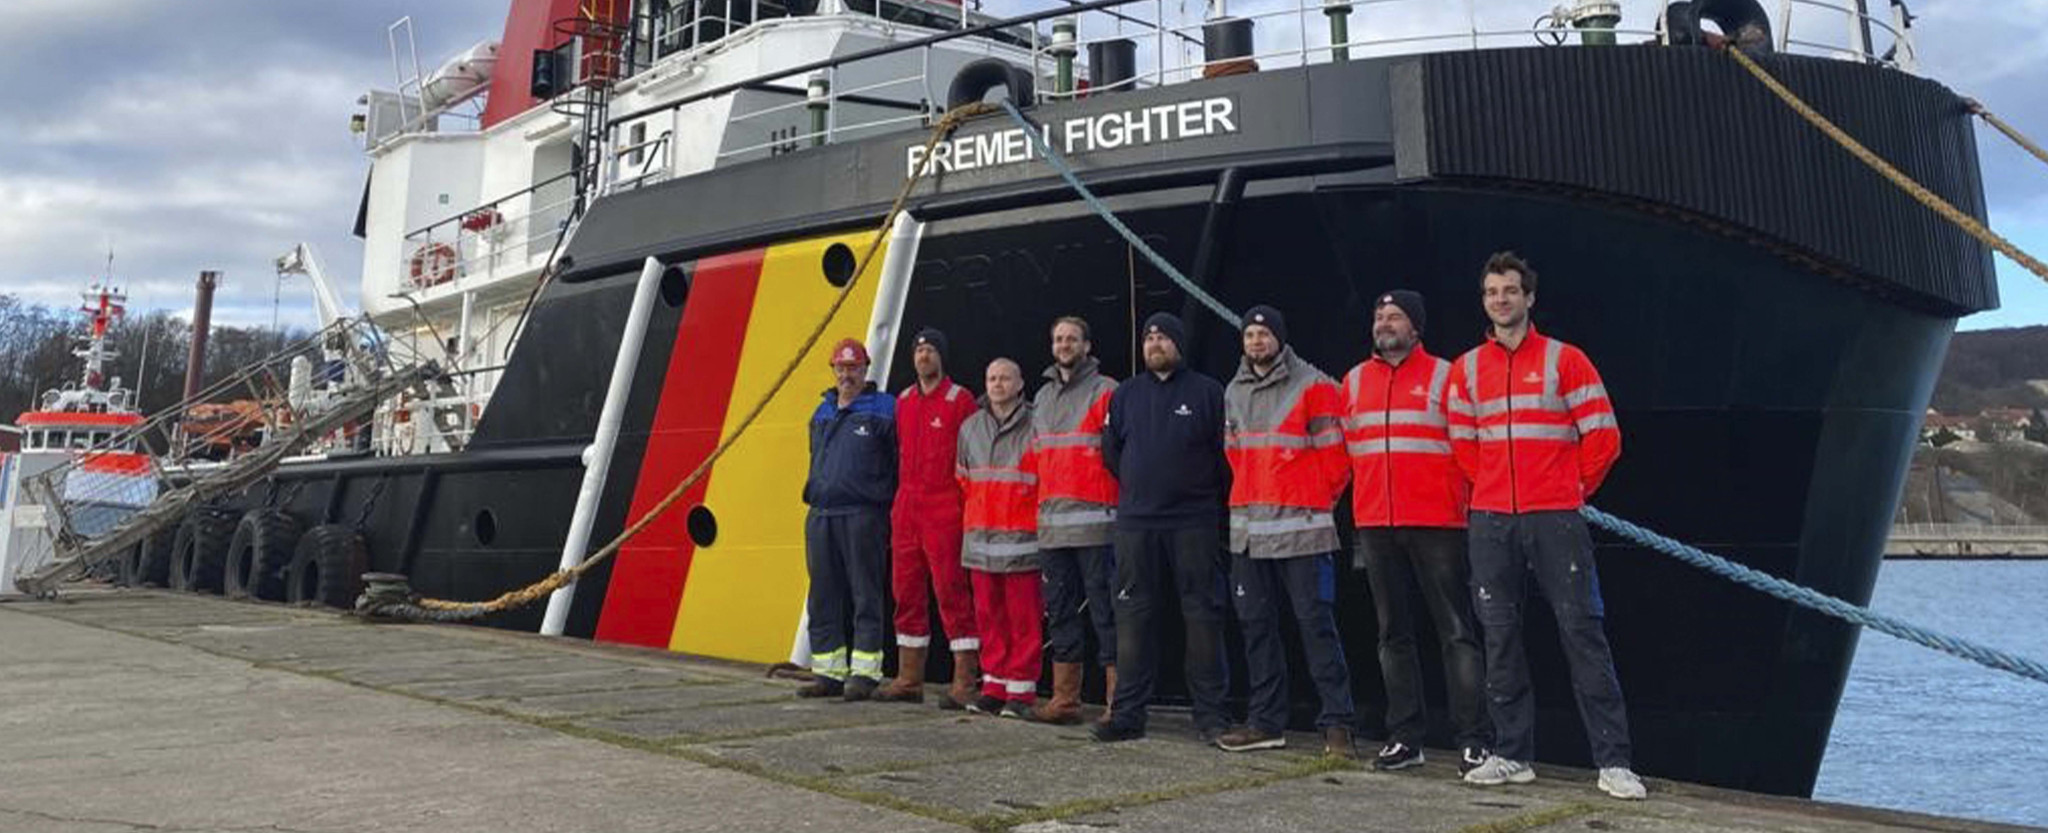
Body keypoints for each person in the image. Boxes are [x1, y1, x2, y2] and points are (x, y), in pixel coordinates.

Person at [1447, 252, 1646, 800]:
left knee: (1582, 632)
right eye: (1491, 292)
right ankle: (1513, 754)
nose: (1501, 301)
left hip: (1554, 517)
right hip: (1491, 519)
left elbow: (1603, 437)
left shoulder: (1567, 361)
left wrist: (1566, 489)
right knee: (1500, 635)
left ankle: (1613, 761)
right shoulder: (1466, 370)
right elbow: (1462, 444)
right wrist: (1491, 486)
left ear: (1529, 298)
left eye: (1510, 291)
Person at [1341, 290, 1492, 773]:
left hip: (1437, 522)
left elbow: (1472, 446)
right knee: (1391, 634)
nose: (1384, 322)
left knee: (1456, 632)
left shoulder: (1448, 377)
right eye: (1379, 314)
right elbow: (1347, 450)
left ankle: (1473, 739)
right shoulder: (1355, 380)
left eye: (1396, 316)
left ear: (1416, 327)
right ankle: (1406, 737)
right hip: (1375, 523)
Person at [1214, 305, 1358, 758]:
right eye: (1249, 334)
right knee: (1256, 629)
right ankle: (1265, 721)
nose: (1256, 341)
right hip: (1249, 533)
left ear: (1280, 338)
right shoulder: (1233, 390)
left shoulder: (1314, 387)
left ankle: (1337, 725)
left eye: (1263, 334)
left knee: (1316, 627)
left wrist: (1313, 500)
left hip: (1302, 531)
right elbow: (1234, 453)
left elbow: (1337, 461)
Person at [1090, 312, 1231, 744]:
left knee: (1203, 616)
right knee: (1132, 617)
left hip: (1193, 521)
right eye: (1149, 337)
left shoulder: (1208, 392)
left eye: (1164, 337)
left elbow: (1224, 456)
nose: (1155, 344)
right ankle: (1128, 714)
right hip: (1136, 522)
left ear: (1179, 345)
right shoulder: (1126, 395)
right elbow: (1112, 453)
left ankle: (1211, 716)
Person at [875, 328, 982, 708]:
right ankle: (909, 677)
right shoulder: (902, 401)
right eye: (919, 350)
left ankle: (964, 679)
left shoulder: (960, 400)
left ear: (942, 357)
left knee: (951, 591)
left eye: (931, 350)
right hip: (907, 506)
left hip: (944, 507)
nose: (924, 356)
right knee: (906, 592)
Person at [1027, 316, 1120, 725]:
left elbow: (1120, 456)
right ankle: (1065, 699)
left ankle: (1119, 701)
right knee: (1061, 612)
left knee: (1106, 614)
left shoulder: (1107, 392)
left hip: (1097, 524)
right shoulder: (1043, 397)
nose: (1064, 345)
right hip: (1051, 528)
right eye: (1058, 338)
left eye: (1071, 339)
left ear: (1087, 345)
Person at [798, 337, 896, 701]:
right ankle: (828, 672)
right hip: (822, 513)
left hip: (862, 513)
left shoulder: (885, 409)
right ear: (833, 370)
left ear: (866, 369)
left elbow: (896, 462)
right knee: (823, 593)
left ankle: (865, 673)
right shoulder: (821, 412)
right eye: (841, 367)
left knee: (865, 591)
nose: (847, 374)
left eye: (853, 368)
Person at [957, 357, 1043, 719]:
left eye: (1005, 378)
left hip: (1022, 540)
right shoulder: (970, 428)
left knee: (1024, 618)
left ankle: (1021, 691)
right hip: (980, 540)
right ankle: (993, 684)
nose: (997, 384)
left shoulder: (1036, 423)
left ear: (1020, 384)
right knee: (989, 616)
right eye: (992, 378)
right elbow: (963, 478)